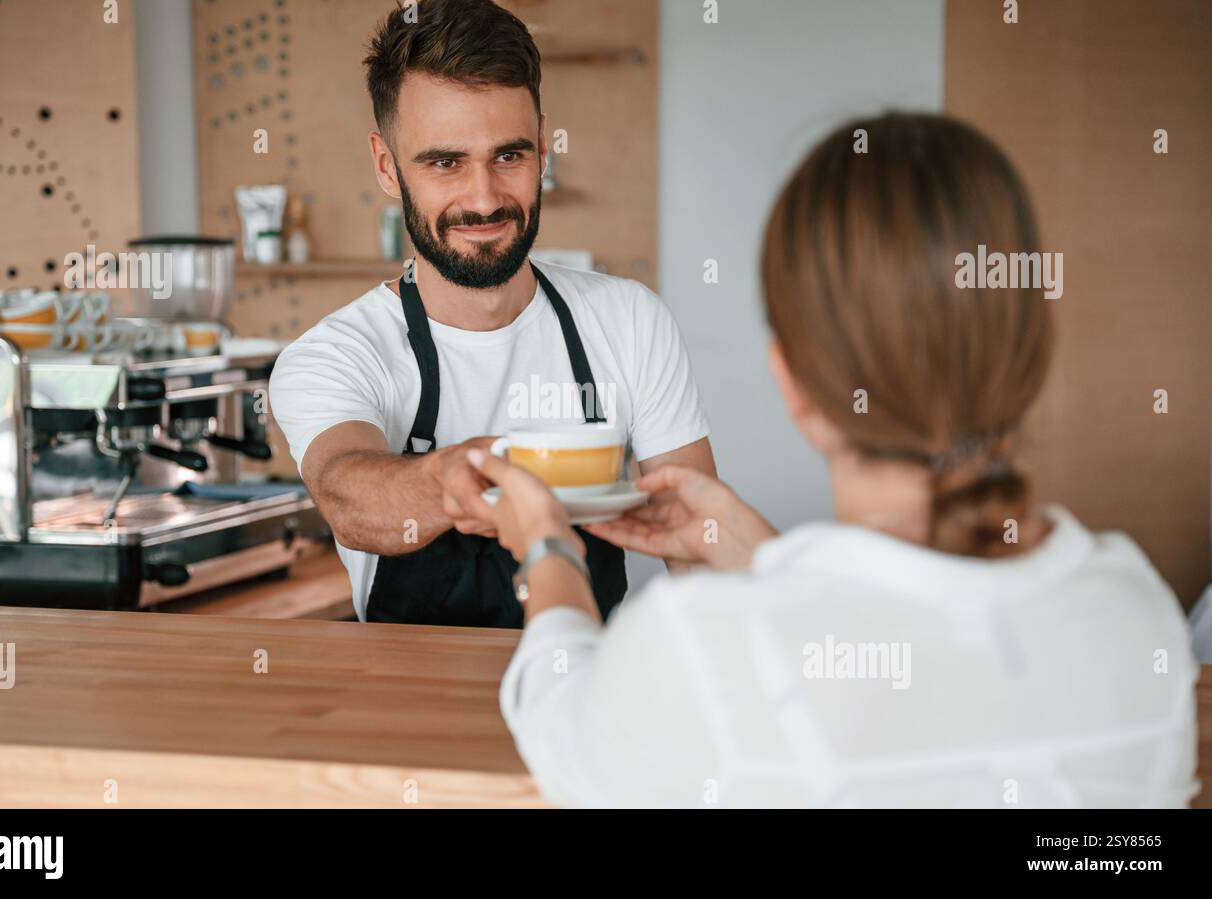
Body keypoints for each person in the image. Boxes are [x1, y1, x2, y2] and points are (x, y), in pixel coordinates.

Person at [476, 113, 1200, 807]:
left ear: (790, 379)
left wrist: (547, 547)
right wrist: (751, 550)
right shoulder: (1134, 613)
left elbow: (561, 719)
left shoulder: (701, 649)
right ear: (1028, 357)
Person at [269, 0, 715, 626]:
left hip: (587, 698)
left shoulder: (630, 320)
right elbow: (348, 496)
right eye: (445, 162)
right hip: (404, 713)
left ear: (542, 145)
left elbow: (699, 548)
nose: (484, 199)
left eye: (509, 156)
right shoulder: (336, 354)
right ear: (386, 166)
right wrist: (454, 478)